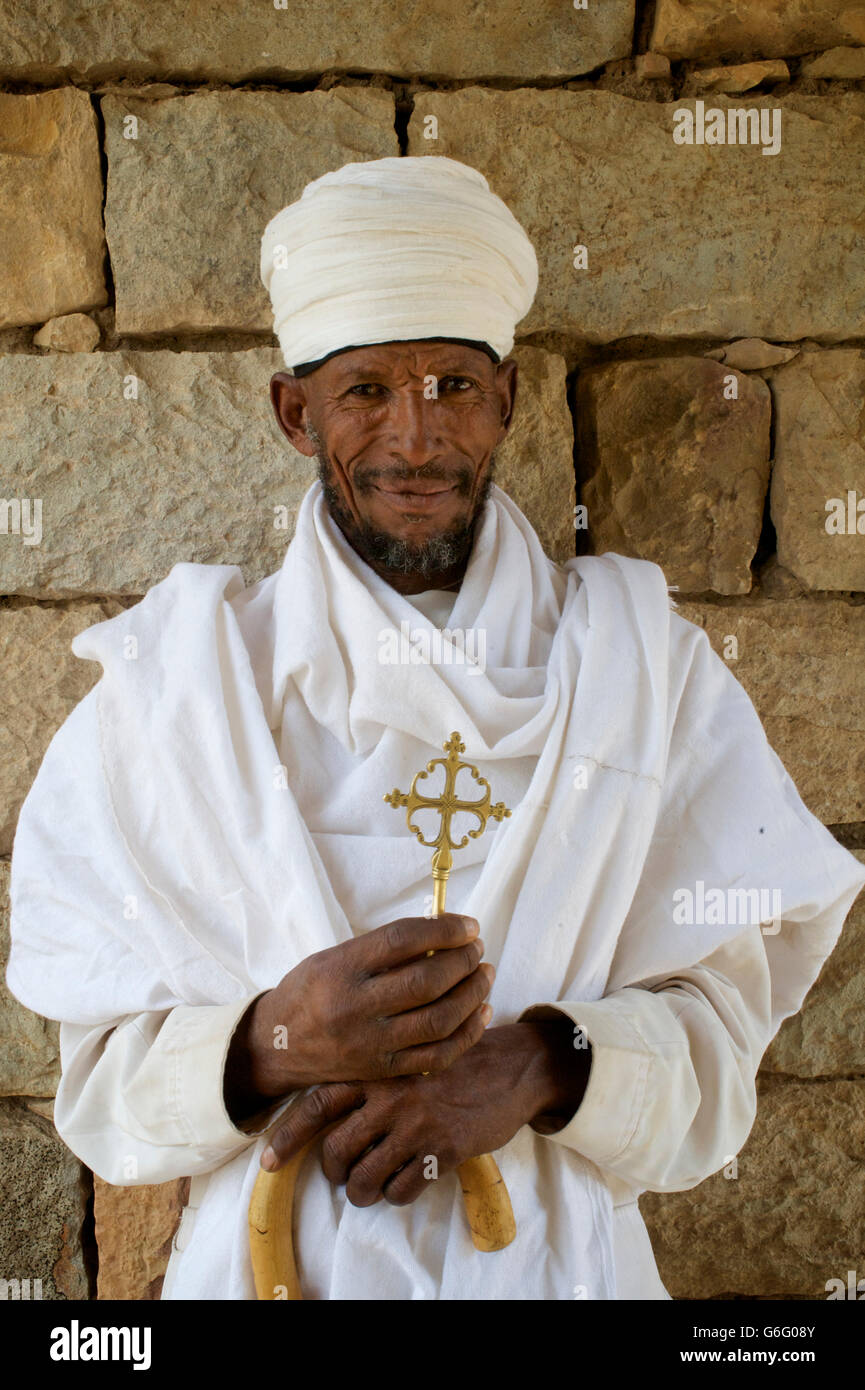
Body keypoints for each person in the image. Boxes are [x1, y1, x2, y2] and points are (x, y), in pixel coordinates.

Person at [7, 156, 864, 1301]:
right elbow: (102, 1092)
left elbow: (717, 1043)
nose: (415, 439)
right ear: (293, 412)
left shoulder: (642, 669)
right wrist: (274, 1040)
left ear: (507, 399)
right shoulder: (180, 692)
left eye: (453, 387)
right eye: (366, 390)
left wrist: (544, 1065)